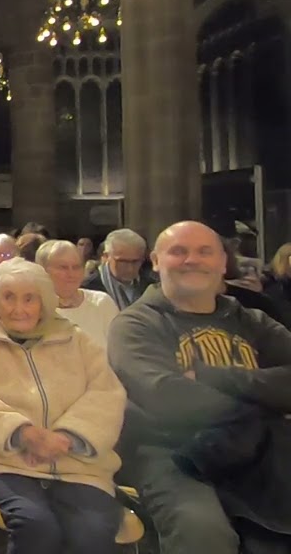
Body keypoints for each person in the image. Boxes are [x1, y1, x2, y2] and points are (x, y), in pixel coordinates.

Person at [108, 221, 291, 554]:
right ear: (156, 260)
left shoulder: (251, 321)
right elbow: (166, 398)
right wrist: (267, 400)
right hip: (170, 453)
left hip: (258, 445)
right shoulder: (136, 324)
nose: (192, 259)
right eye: (178, 251)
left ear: (223, 262)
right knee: (205, 532)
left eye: (205, 251)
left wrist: (214, 376)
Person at [0, 259, 127, 554]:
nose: (19, 308)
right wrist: (25, 433)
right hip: (2, 463)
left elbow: (106, 392)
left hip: (78, 465)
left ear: (43, 301)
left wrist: (68, 437)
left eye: (29, 298)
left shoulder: (76, 338)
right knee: (36, 525)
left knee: (92, 531)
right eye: (9, 297)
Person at [35, 239, 119, 348]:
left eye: (76, 267)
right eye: (63, 267)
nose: (71, 274)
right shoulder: (34, 309)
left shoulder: (102, 303)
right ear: (42, 270)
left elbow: (120, 349)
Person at [83, 228, 151, 309]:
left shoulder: (151, 287)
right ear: (106, 256)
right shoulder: (88, 289)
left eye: (135, 262)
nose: (130, 268)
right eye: (122, 262)